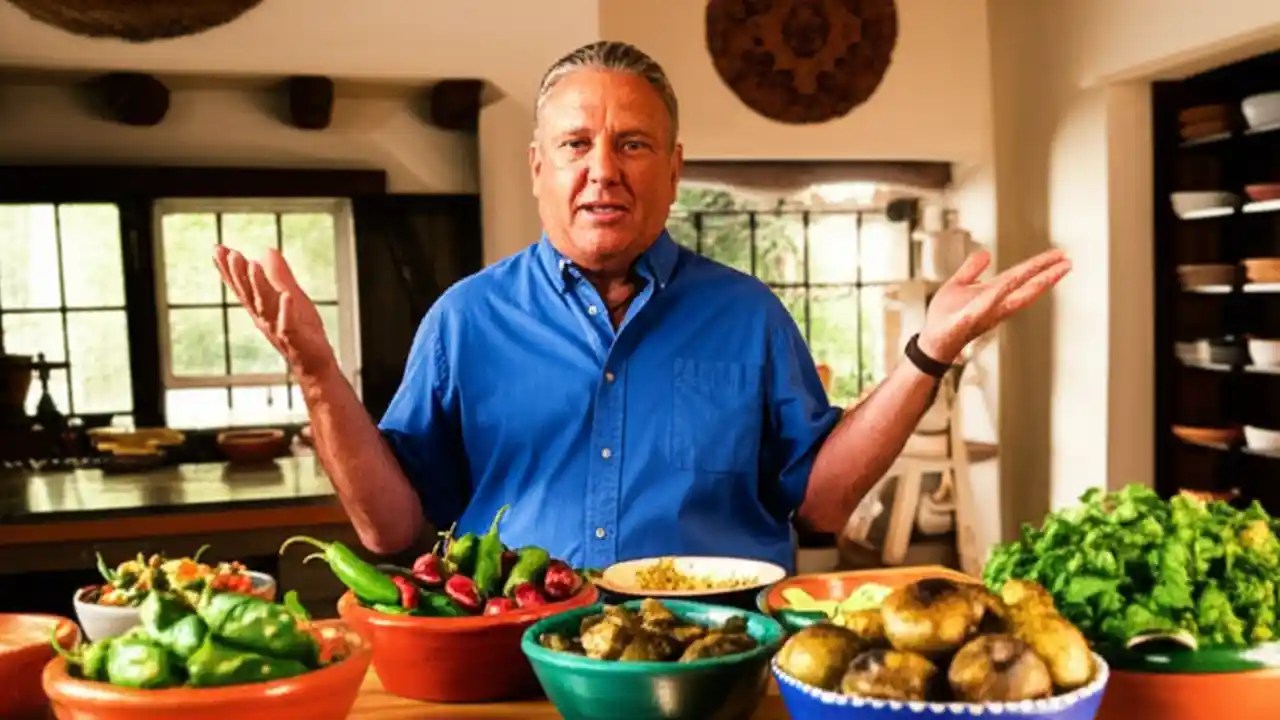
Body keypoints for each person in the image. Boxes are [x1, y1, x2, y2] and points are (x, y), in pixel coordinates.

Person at [213, 41, 1069, 573]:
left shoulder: (749, 317)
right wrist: (319, 376)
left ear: (674, 166)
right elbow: (391, 529)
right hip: (518, 664)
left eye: (632, 144)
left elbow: (821, 506)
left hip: (721, 667)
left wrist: (929, 352)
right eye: (577, 144)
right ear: (538, 166)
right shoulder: (464, 320)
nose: (603, 170)